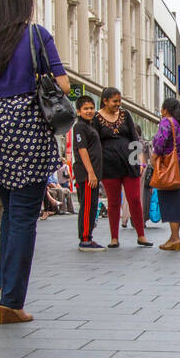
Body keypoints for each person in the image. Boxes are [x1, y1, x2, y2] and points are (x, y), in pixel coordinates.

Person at [0, 0, 72, 323]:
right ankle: (11, 301)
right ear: (23, 0)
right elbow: (64, 85)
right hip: (27, 126)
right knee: (24, 217)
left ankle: (6, 289)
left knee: (9, 213)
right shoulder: (35, 35)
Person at [93, 87, 149, 248]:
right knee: (113, 201)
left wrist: (138, 160)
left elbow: (134, 138)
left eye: (119, 101)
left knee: (134, 199)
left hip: (129, 162)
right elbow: (96, 143)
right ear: (105, 101)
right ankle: (114, 238)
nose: (118, 104)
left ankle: (141, 235)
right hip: (109, 165)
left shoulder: (125, 115)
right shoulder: (97, 118)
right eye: (115, 101)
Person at [153, 96, 180, 251]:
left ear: (165, 110)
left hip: (170, 165)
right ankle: (173, 237)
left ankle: (175, 238)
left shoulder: (166, 121)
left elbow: (161, 141)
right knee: (179, 199)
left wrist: (155, 156)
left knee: (170, 200)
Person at [70, 95, 105, 251]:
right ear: (78, 111)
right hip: (86, 174)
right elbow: (82, 150)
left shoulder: (91, 126)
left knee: (92, 206)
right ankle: (85, 238)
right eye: (86, 108)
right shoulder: (80, 127)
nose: (89, 111)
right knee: (87, 206)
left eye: (91, 108)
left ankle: (88, 236)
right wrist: (90, 172)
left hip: (94, 174)